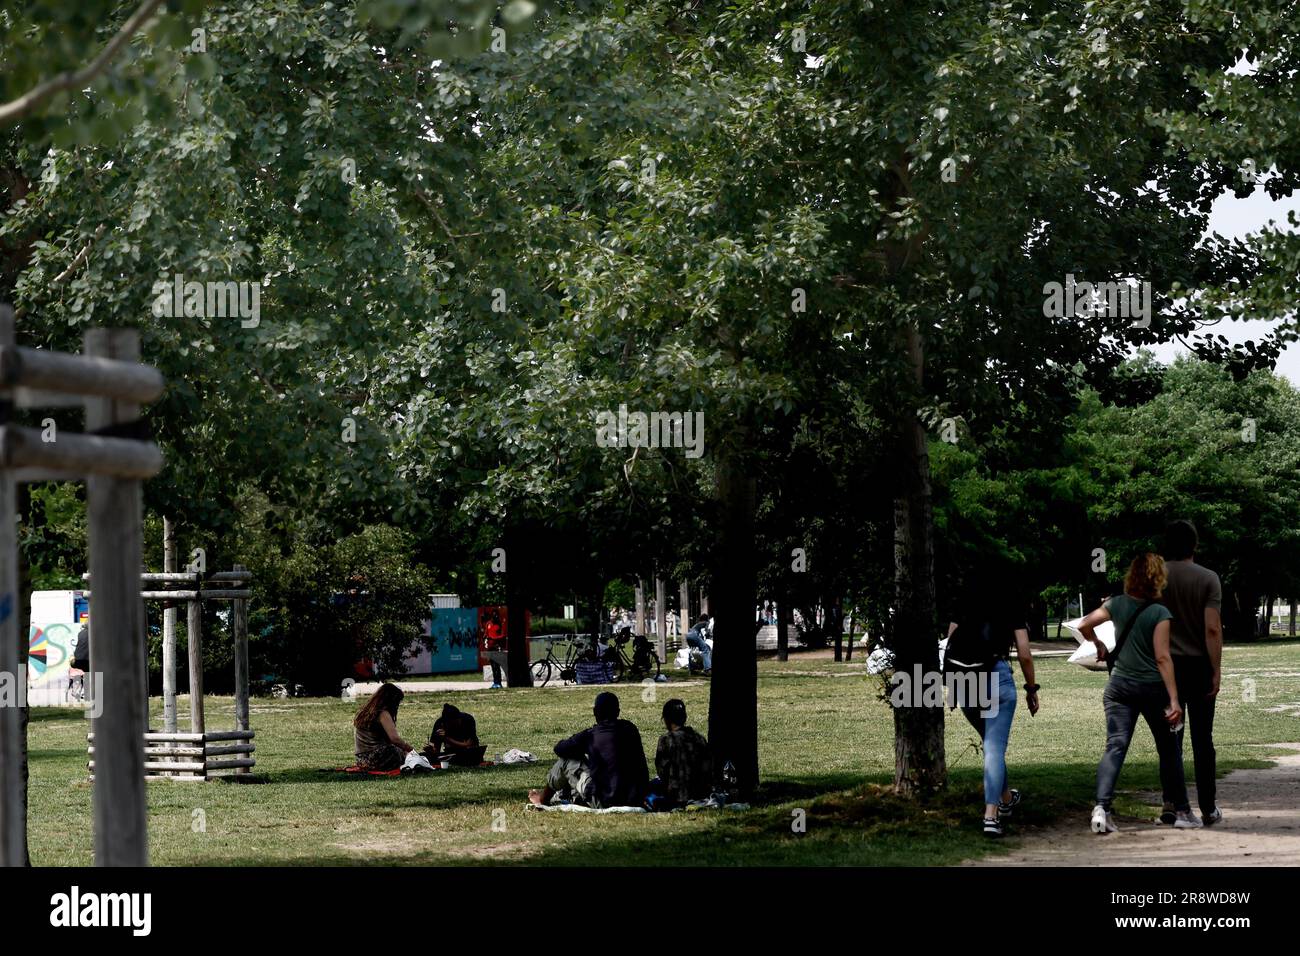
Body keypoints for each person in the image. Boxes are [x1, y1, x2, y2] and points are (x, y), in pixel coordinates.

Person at [1078, 553, 1194, 833]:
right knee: (1169, 750)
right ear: (1158, 578)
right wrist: (1175, 699)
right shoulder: (1160, 613)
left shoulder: (1116, 604)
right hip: (1154, 690)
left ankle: (1101, 808)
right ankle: (1180, 810)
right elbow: (1163, 658)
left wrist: (1098, 644)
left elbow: (1084, 624)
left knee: (1115, 746)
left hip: (1119, 687)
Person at [945, 583, 1040, 837]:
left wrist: (952, 690)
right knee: (994, 748)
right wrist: (1031, 689)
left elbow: (951, 647)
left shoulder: (963, 598)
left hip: (966, 682)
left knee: (991, 746)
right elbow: (1025, 655)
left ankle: (1006, 799)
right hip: (995, 679)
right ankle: (991, 815)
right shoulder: (1011, 601)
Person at [1159, 519, 1224, 826]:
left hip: (1165, 666)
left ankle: (1171, 802)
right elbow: (1212, 628)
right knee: (1202, 739)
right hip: (1198, 664)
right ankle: (1208, 806)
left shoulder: (1155, 578)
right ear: (1194, 546)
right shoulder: (1208, 578)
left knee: (1170, 739)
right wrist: (1216, 669)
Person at [528, 692, 648, 808]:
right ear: (617, 712)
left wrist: (578, 749)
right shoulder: (631, 729)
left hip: (604, 801)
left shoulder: (591, 735)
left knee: (566, 761)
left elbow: (559, 749)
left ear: (595, 712)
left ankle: (543, 799)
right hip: (636, 798)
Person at [649, 699, 712, 809]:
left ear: (666, 719)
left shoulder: (666, 740)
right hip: (701, 793)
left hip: (676, 795)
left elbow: (662, 770)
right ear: (685, 717)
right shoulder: (699, 738)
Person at [353, 683, 414, 771]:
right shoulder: (382, 713)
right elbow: (395, 739)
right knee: (396, 751)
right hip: (376, 758)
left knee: (400, 751)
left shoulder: (366, 711)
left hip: (361, 760)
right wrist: (412, 750)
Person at [483, 610, 506, 688]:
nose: (495, 618)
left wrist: (493, 638)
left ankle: (499, 682)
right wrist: (485, 638)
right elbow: (486, 633)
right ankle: (495, 682)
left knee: (497, 665)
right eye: (493, 616)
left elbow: (502, 635)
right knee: (493, 665)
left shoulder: (500, 624)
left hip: (496, 647)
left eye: (496, 616)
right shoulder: (488, 624)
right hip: (490, 648)